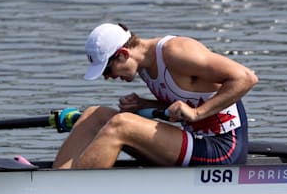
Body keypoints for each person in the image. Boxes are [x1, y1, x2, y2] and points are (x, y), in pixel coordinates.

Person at [53, 22, 257, 169]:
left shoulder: (177, 52)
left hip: (222, 149)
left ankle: (75, 192)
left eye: (107, 70)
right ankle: (55, 181)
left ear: (124, 54)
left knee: (121, 124)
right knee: (94, 115)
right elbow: (187, 98)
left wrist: (197, 113)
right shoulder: (143, 66)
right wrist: (144, 104)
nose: (108, 78)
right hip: (195, 141)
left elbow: (245, 78)